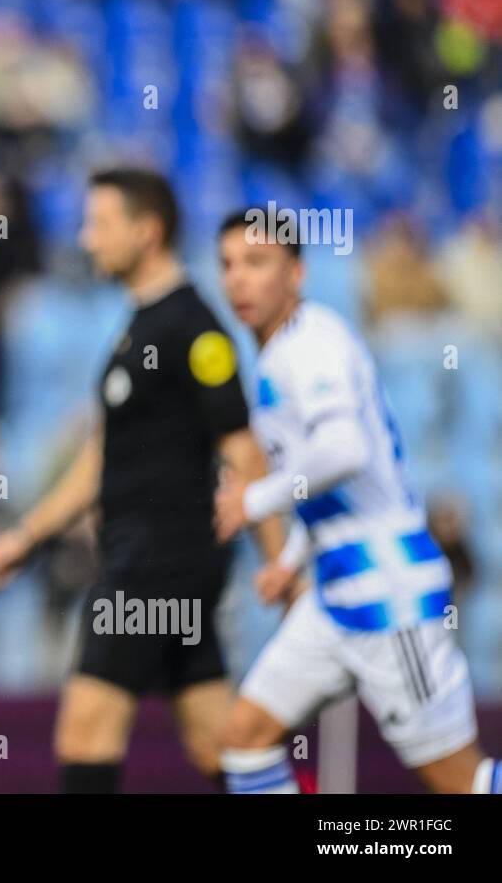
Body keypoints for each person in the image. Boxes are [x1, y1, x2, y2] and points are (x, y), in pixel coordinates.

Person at [0, 169, 281, 793]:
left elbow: (245, 452)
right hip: (164, 563)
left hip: (155, 563)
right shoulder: (139, 327)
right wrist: (25, 539)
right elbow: (102, 457)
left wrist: (281, 562)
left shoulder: (194, 330)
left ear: (147, 232)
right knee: (215, 746)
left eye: (99, 224)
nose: (87, 240)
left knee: (86, 736)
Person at [214, 209, 499, 794]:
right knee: (245, 739)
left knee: (461, 781)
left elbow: (345, 451)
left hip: (386, 593)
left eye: (257, 262)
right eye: (228, 264)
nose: (238, 279)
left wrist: (256, 500)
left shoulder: (312, 344)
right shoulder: (278, 352)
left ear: (296, 273)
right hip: (334, 591)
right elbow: (329, 486)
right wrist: (293, 559)